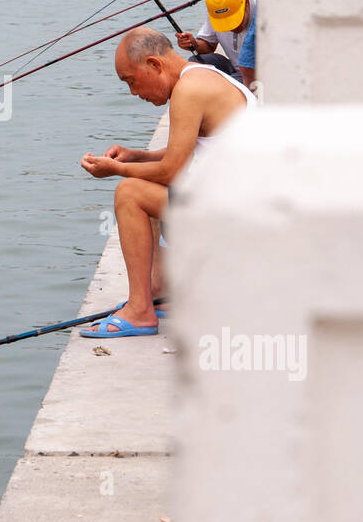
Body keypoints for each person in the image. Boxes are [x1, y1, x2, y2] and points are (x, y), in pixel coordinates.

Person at [78, 27, 255, 338]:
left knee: (131, 193)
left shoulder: (188, 91)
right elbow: (186, 152)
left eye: (131, 81)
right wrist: (135, 156)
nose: (134, 93)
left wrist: (117, 170)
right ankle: (160, 292)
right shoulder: (203, 75)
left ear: (154, 64)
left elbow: (172, 171)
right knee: (154, 189)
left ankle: (141, 311)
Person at [174, 0, 257, 88]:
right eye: (224, 22)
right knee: (194, 64)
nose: (231, 28)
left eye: (234, 20)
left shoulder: (265, 10)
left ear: (246, 4)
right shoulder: (216, 11)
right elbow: (208, 46)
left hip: (259, 74)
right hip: (234, 69)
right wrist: (194, 44)